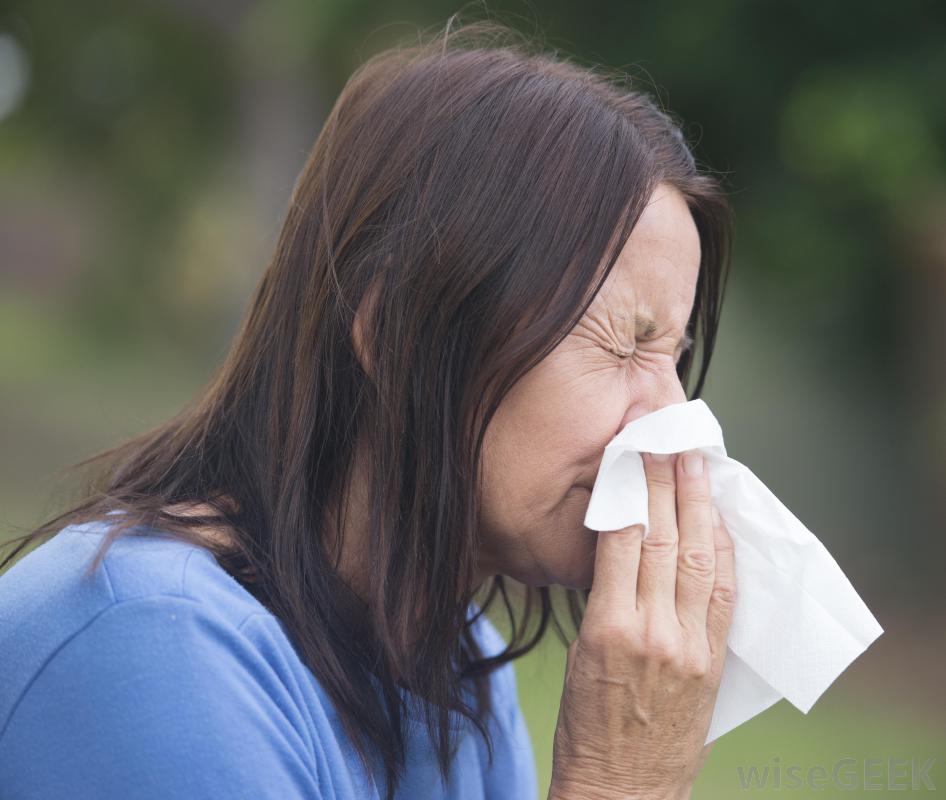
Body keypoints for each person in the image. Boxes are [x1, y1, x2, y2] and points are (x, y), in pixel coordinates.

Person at [0, 17, 736, 800]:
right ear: (394, 330)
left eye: (676, 359)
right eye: (625, 344)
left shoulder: (452, 665)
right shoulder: (148, 645)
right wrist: (619, 779)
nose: (669, 418)